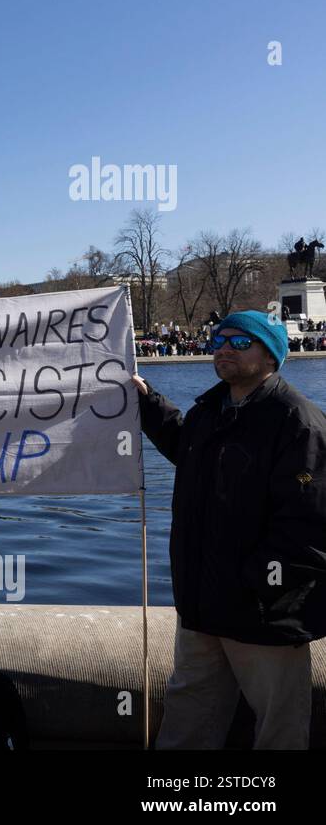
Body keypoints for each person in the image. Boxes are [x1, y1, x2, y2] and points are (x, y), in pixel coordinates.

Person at [135, 310, 326, 749]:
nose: (223, 348)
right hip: (202, 604)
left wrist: (256, 582)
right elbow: (188, 450)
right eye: (219, 338)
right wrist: (147, 401)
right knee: (188, 712)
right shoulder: (210, 411)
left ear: (271, 356)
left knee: (278, 726)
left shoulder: (298, 420)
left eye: (241, 343)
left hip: (263, 612)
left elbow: (309, 525)